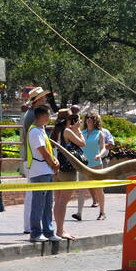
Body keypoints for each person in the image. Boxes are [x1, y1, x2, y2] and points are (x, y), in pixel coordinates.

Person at [27, 104, 58, 241]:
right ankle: (36, 232)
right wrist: (53, 163)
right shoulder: (34, 131)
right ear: (44, 116)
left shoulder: (41, 130)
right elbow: (42, 151)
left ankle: (49, 232)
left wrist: (53, 162)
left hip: (45, 170)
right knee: (38, 204)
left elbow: (47, 150)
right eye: (49, 114)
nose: (50, 117)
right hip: (39, 171)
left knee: (47, 204)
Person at [20, 87, 48, 236]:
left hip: (32, 159)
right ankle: (30, 225)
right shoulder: (32, 116)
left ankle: (31, 225)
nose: (45, 99)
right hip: (33, 159)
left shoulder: (31, 114)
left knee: (32, 193)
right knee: (32, 194)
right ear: (37, 100)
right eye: (43, 97)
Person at [50, 108, 81, 239]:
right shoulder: (67, 131)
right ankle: (60, 230)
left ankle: (58, 228)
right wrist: (78, 129)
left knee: (57, 201)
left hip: (56, 169)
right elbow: (82, 143)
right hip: (68, 169)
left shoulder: (54, 131)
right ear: (68, 120)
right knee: (63, 201)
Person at [78, 110, 107, 221]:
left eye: (91, 118)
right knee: (81, 189)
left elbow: (103, 147)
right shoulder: (82, 133)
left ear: (95, 121)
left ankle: (102, 212)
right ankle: (79, 213)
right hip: (83, 165)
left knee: (99, 189)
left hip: (96, 165)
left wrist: (99, 154)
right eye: (87, 117)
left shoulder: (99, 133)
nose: (89, 119)